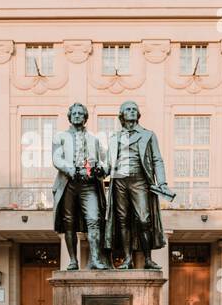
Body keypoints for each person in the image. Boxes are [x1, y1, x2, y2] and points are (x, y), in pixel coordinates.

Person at [103, 100, 172, 268]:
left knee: (143, 219)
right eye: (128, 109)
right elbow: (108, 164)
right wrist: (97, 169)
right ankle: (128, 259)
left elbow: (157, 159)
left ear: (138, 114)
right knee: (123, 220)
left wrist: (162, 182)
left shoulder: (148, 135)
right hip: (119, 180)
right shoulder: (115, 137)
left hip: (139, 180)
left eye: (135, 109)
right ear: (122, 115)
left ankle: (148, 259)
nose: (132, 111)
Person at [51, 102, 109, 269]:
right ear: (70, 117)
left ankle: (96, 259)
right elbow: (56, 158)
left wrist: (102, 169)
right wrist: (71, 169)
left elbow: (105, 160)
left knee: (94, 220)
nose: (77, 116)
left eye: (80, 113)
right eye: (74, 113)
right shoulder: (60, 137)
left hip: (89, 184)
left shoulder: (94, 139)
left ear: (85, 117)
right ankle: (72, 260)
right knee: (69, 222)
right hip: (69, 183)